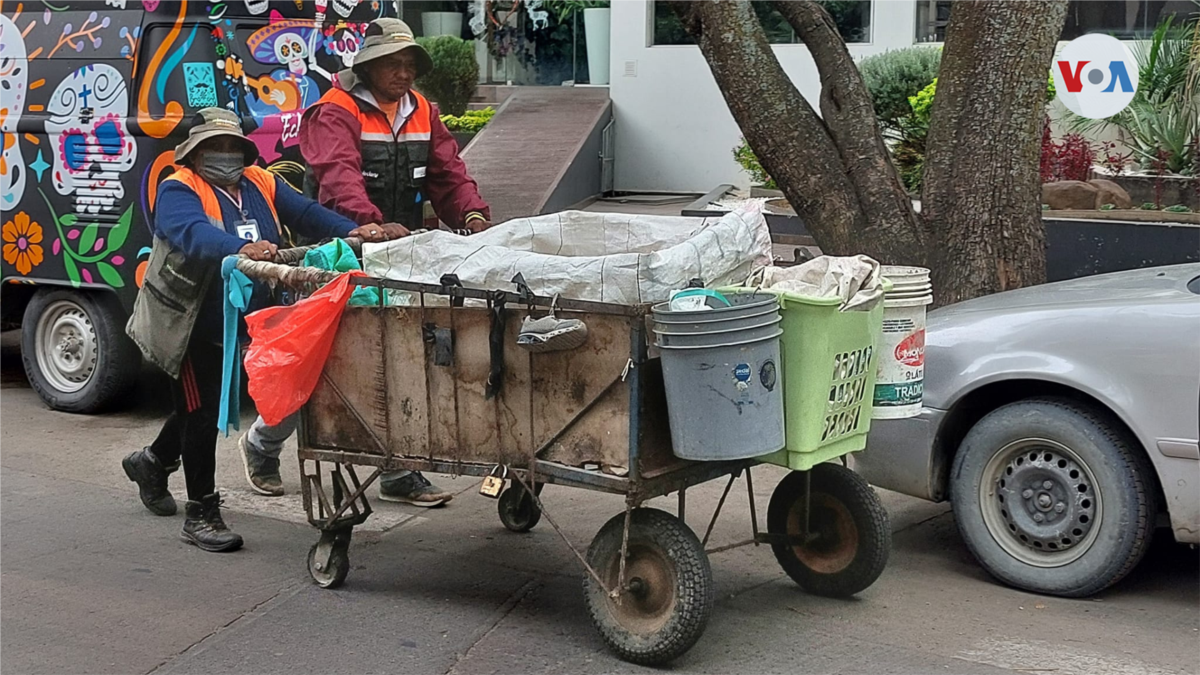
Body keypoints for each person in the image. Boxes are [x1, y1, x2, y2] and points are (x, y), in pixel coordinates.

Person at [238, 18, 492, 507]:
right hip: (337, 253)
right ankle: (263, 445)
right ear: (368, 66)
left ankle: (398, 470)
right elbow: (338, 177)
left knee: (402, 358)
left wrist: (474, 214)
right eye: (393, 64)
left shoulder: (423, 111)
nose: (403, 73)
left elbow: (448, 174)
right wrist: (370, 225)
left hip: (399, 252)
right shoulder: (333, 111)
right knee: (319, 359)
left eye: (410, 64)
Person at [122, 108, 395, 552]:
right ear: (193, 153)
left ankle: (152, 463)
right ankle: (202, 513)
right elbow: (188, 233)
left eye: (233, 147)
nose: (226, 156)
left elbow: (307, 212)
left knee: (201, 406)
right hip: (188, 324)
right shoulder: (178, 188)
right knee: (200, 412)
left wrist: (356, 230)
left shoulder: (260, 181)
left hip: (246, 318)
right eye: (214, 147)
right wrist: (241, 248)